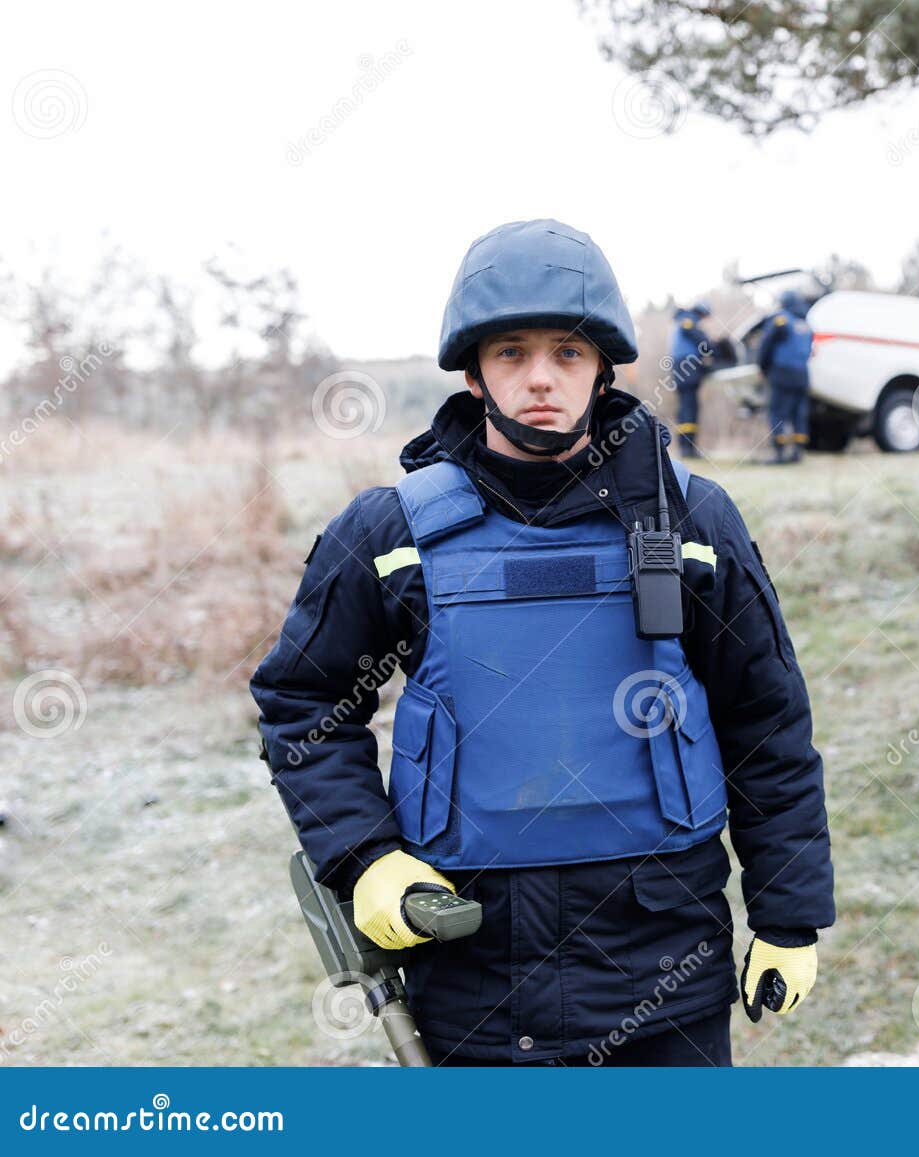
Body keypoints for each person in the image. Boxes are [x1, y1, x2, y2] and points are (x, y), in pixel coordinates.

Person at [251, 219, 834, 1066]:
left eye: (567, 353)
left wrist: (788, 913)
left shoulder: (693, 521)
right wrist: (365, 858)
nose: (540, 379)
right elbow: (300, 702)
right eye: (512, 352)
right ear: (474, 369)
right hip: (473, 970)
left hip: (664, 967)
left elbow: (766, 720)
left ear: (603, 365)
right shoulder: (390, 532)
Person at [756, 290, 813, 465]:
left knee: (777, 412)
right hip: (802, 374)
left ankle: (779, 454)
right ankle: (797, 453)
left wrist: (762, 367)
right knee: (798, 413)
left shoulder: (781, 319)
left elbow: (766, 345)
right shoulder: (805, 323)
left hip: (782, 373)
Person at [668, 302, 713, 459]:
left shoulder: (682, 321)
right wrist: (710, 346)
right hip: (687, 367)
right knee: (689, 408)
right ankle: (688, 449)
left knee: (685, 408)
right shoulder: (688, 320)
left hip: (681, 368)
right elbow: (699, 338)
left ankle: (686, 447)